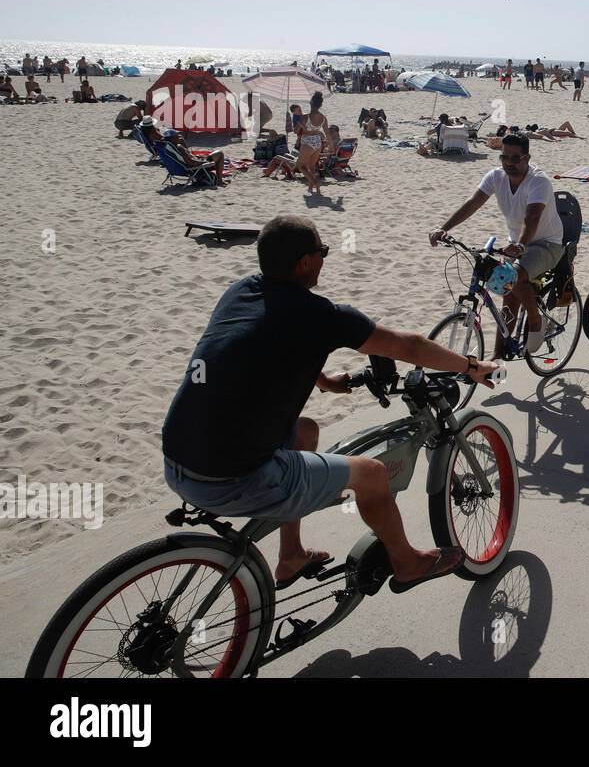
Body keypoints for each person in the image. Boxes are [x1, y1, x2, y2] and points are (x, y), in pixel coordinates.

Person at [162, 215, 499, 592]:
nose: (324, 258)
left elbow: (253, 344)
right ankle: (407, 563)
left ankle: (290, 554)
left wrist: (323, 382)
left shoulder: (241, 292)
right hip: (232, 479)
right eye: (322, 251)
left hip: (177, 459)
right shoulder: (321, 315)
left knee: (304, 431)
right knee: (371, 475)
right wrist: (471, 366)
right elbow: (409, 346)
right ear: (305, 262)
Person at [430, 133, 567, 357]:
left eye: (515, 158)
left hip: (546, 243)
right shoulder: (496, 176)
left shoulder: (538, 181)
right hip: (517, 244)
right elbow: (473, 202)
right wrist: (444, 228)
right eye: (504, 157)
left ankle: (535, 319)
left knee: (514, 277)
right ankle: (497, 356)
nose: (509, 163)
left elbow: (531, 218)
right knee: (507, 294)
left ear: (527, 157)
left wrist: (521, 246)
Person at [163, 128, 228, 185]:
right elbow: (191, 162)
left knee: (216, 154)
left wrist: (183, 142)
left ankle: (218, 179)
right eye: (176, 135)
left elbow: (187, 156)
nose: (179, 136)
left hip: (192, 165)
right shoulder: (179, 147)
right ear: (172, 138)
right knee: (220, 154)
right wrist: (203, 162)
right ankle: (219, 180)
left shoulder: (169, 147)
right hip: (196, 168)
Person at [297, 91, 328, 195]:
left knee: (301, 167)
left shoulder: (305, 117)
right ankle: (311, 188)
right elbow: (327, 133)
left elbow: (296, 131)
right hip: (317, 143)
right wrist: (331, 147)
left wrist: (297, 122)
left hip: (307, 142)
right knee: (311, 167)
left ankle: (315, 184)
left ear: (311, 102)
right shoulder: (323, 118)